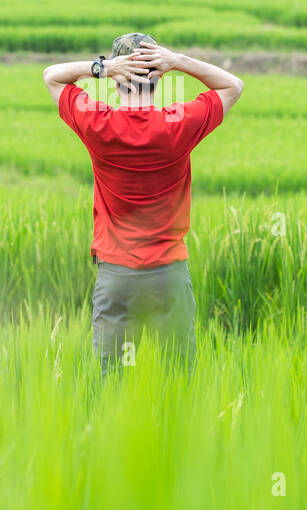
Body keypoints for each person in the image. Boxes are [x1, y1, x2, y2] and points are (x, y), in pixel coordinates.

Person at [42, 34, 243, 375]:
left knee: (111, 382)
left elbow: (52, 75)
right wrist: (177, 59)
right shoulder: (178, 123)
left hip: (116, 275)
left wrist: (102, 68)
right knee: (177, 380)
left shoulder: (98, 123)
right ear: (158, 76)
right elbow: (233, 86)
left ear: (117, 79)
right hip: (169, 274)